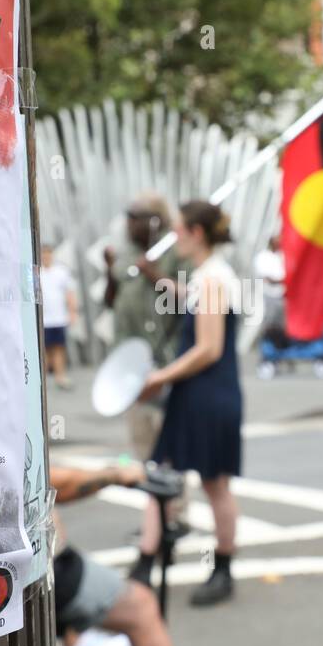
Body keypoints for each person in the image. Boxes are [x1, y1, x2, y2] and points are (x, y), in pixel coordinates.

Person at [50, 463, 215, 646]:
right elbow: (51, 481)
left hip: (5, 569)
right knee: (139, 606)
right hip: (40, 571)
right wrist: (112, 474)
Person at [134, 201, 242, 607]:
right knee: (172, 476)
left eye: (178, 230)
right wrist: (156, 278)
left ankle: (218, 568)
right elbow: (190, 299)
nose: (173, 238)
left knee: (211, 484)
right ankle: (149, 561)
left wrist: (158, 378)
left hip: (207, 393)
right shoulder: (208, 276)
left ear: (197, 233)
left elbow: (209, 349)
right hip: (206, 393)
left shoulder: (213, 279)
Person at [104, 195, 187, 457]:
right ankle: (151, 494)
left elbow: (187, 298)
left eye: (135, 217)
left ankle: (172, 497)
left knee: (170, 445)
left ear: (155, 221)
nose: (129, 224)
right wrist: (109, 270)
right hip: (129, 360)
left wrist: (154, 274)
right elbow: (110, 301)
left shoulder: (174, 252)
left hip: (164, 360)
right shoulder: (126, 253)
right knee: (141, 444)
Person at [39, 244, 77, 389]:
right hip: (43, 320)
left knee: (59, 348)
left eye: (48, 254)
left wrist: (73, 312)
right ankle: (43, 380)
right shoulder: (37, 272)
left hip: (58, 318)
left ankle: (60, 377)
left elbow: (69, 293)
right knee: (44, 350)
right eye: (44, 254)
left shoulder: (61, 272)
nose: (46, 257)